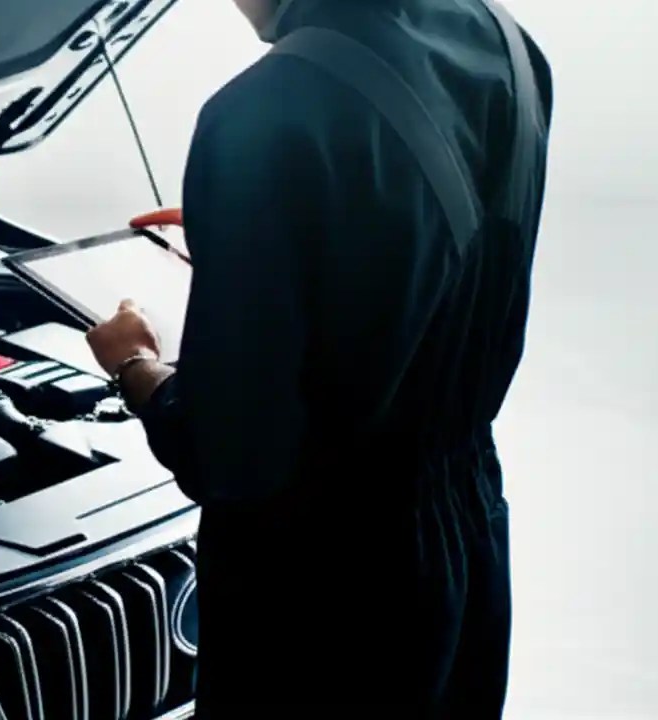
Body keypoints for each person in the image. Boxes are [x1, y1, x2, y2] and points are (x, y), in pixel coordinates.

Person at [86, 0, 553, 716]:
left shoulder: (263, 112)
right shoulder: (507, 43)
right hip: (471, 541)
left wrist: (134, 363)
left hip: (322, 590)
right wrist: (256, 233)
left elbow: (230, 457)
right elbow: (435, 265)